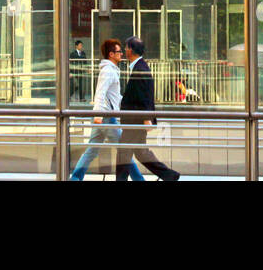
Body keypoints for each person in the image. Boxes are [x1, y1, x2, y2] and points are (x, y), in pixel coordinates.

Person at [114, 36, 180, 181]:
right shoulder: (140, 67)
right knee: (140, 152)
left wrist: (146, 119)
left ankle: (121, 180)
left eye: (126, 48)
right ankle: (169, 175)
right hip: (136, 120)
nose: (124, 50)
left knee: (124, 152)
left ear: (130, 50)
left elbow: (145, 95)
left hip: (135, 121)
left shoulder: (141, 68)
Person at [69, 39, 130, 180]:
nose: (121, 53)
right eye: (118, 51)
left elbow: (114, 96)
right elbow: (100, 93)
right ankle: (139, 179)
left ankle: (75, 178)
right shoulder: (108, 71)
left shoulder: (112, 70)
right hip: (106, 116)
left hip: (103, 115)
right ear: (111, 54)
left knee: (91, 151)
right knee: (124, 149)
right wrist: (98, 115)